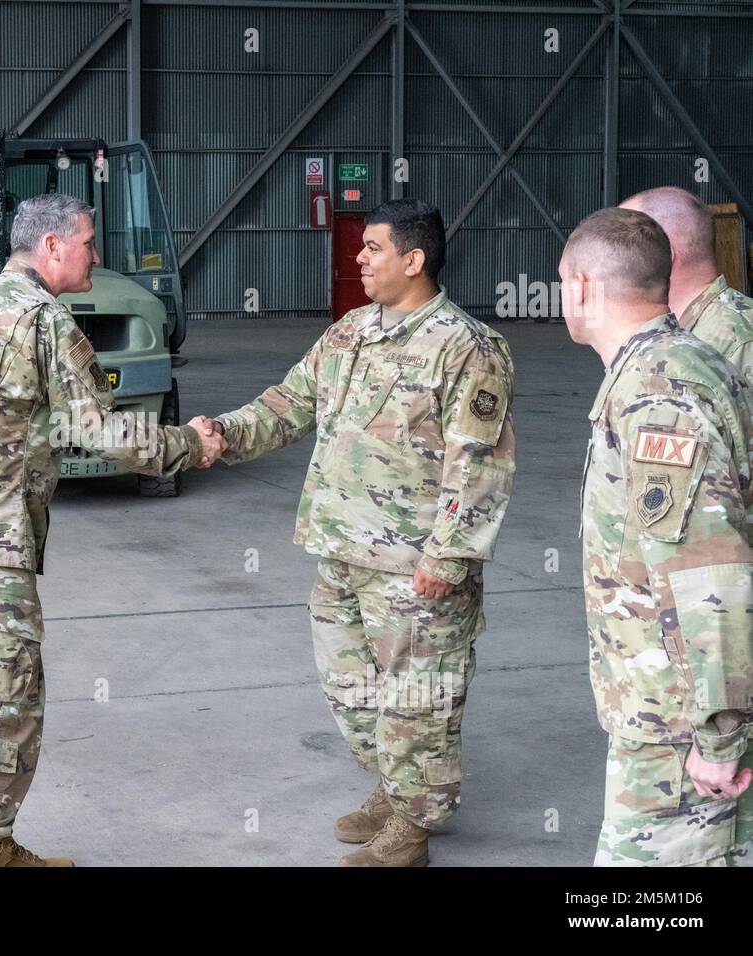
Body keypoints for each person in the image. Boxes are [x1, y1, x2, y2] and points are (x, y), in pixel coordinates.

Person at [0, 193, 222, 867]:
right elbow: (101, 431)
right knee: (6, 704)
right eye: (87, 242)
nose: (96, 256)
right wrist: (188, 444)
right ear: (51, 248)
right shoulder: (44, 320)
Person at [193, 198, 516, 866]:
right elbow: (288, 405)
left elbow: (478, 466)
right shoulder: (349, 333)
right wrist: (225, 434)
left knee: (417, 700)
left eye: (372, 247)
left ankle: (412, 827)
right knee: (352, 691)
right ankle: (394, 788)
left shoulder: (468, 348)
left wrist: (447, 558)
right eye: (362, 247)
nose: (360, 258)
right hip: (340, 549)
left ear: (413, 259)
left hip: (415, 564)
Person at [562, 206, 753, 866]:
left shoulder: (658, 393)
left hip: (676, 729)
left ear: (583, 286)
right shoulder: (671, 368)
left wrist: (718, 739)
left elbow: (709, 577)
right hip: (663, 712)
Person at [620, 187, 753, 382]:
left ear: (666, 256)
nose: (615, 263)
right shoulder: (690, 330)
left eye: (626, 248)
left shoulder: (737, 342)